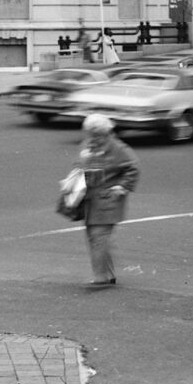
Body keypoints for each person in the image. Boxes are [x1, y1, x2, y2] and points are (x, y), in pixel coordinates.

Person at [76, 113, 139, 289]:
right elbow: (78, 165)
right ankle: (108, 274)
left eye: (96, 134)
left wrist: (122, 186)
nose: (92, 138)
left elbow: (132, 168)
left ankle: (100, 277)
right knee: (95, 238)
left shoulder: (118, 148)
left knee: (98, 238)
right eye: (90, 133)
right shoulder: (89, 145)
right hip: (90, 201)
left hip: (108, 200)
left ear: (105, 133)